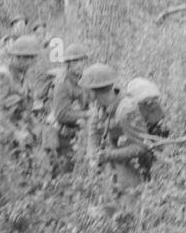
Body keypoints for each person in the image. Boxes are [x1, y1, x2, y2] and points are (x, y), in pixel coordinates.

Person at [80, 63, 168, 192]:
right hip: (117, 164)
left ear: (93, 92)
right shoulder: (100, 105)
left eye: (86, 89)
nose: (84, 93)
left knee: (129, 203)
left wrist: (109, 155)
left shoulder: (126, 111)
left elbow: (141, 147)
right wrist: (93, 155)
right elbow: (94, 131)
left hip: (135, 166)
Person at [0, 33, 43, 152]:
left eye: (32, 58)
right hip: (2, 134)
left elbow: (26, 106)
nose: (30, 62)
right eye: (27, 58)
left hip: (19, 128)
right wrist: (15, 133)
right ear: (16, 57)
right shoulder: (3, 76)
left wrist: (34, 124)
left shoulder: (24, 75)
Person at [41, 42, 91, 173]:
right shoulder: (63, 83)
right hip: (58, 136)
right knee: (61, 175)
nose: (80, 64)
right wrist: (86, 115)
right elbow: (61, 114)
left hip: (72, 135)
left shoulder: (81, 80)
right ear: (69, 63)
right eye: (76, 61)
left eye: (82, 60)